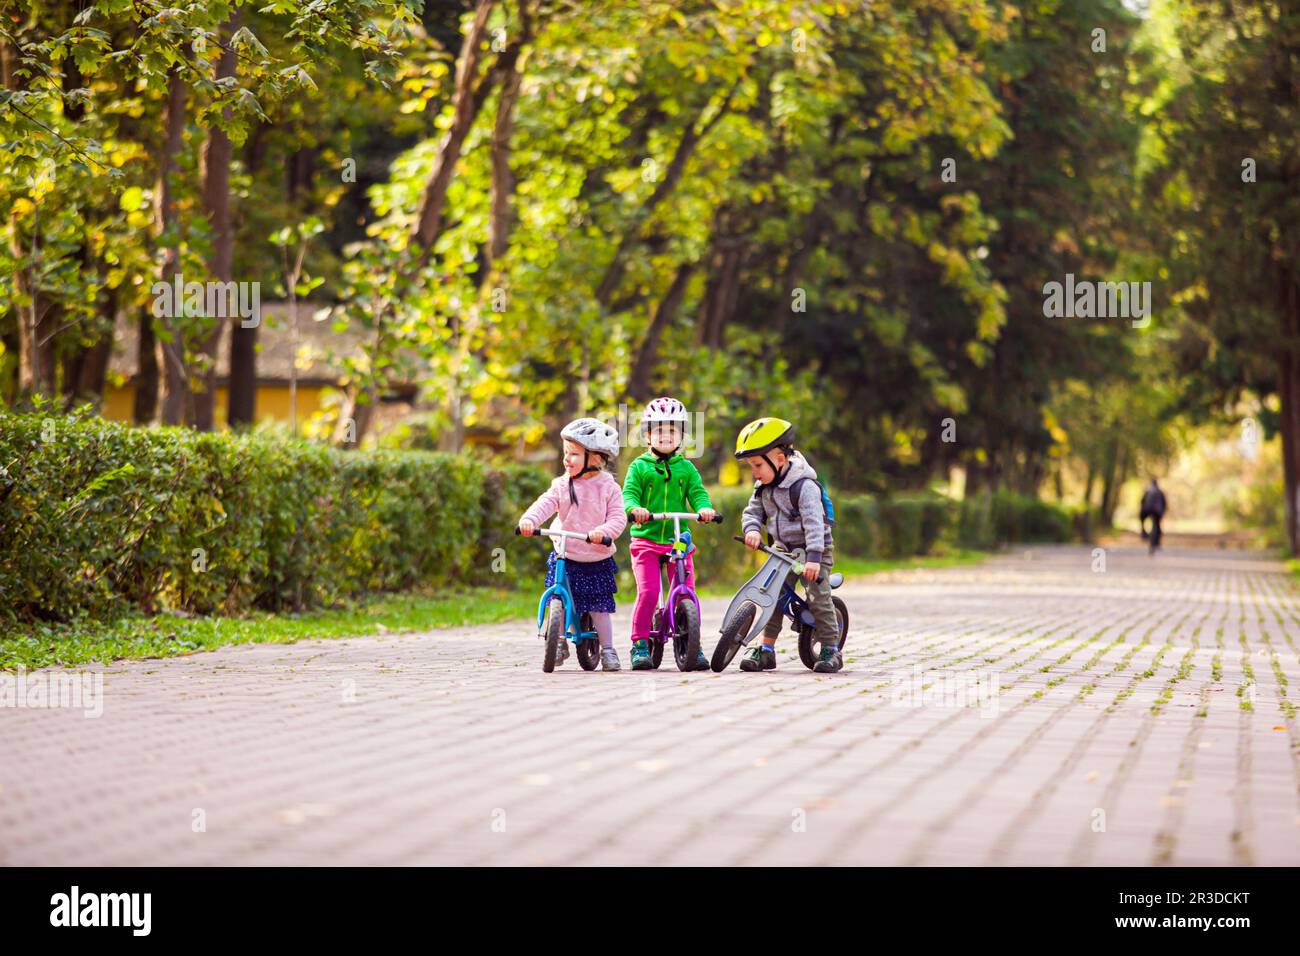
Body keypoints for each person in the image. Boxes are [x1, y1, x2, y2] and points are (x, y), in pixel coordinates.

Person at [518, 418, 627, 670]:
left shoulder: (608, 487)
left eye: (574, 454)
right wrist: (529, 519)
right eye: (566, 452)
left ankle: (608, 649)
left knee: (599, 607)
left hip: (595, 556)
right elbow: (545, 503)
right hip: (565, 551)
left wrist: (603, 531)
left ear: (597, 458)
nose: (567, 459)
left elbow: (618, 518)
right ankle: (557, 641)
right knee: (561, 596)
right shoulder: (561, 484)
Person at [735, 417, 841, 673]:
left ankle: (830, 649)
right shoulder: (763, 487)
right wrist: (752, 530)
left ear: (780, 459)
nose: (754, 471)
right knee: (774, 595)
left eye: (758, 464)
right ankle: (766, 650)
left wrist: (814, 559)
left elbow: (815, 524)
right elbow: (752, 513)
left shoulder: (804, 486)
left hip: (815, 550)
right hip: (783, 549)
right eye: (751, 465)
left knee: (818, 596)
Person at [622, 397, 717, 671]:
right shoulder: (639, 467)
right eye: (659, 430)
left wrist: (705, 509)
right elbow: (628, 494)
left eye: (672, 431)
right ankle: (639, 643)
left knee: (686, 593)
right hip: (647, 540)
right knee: (649, 592)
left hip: (677, 540)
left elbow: (697, 493)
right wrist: (634, 508)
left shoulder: (686, 468)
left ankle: (693, 644)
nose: (666, 436)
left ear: (681, 436)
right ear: (648, 434)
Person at [1140, 478, 1166, 553]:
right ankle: (1157, 542)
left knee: (1142, 519)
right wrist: (1163, 512)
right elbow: (1164, 503)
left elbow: (1142, 502)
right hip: (1157, 511)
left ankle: (1143, 533)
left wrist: (1143, 510)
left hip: (1147, 510)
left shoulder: (1147, 491)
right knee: (1157, 525)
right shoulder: (1160, 492)